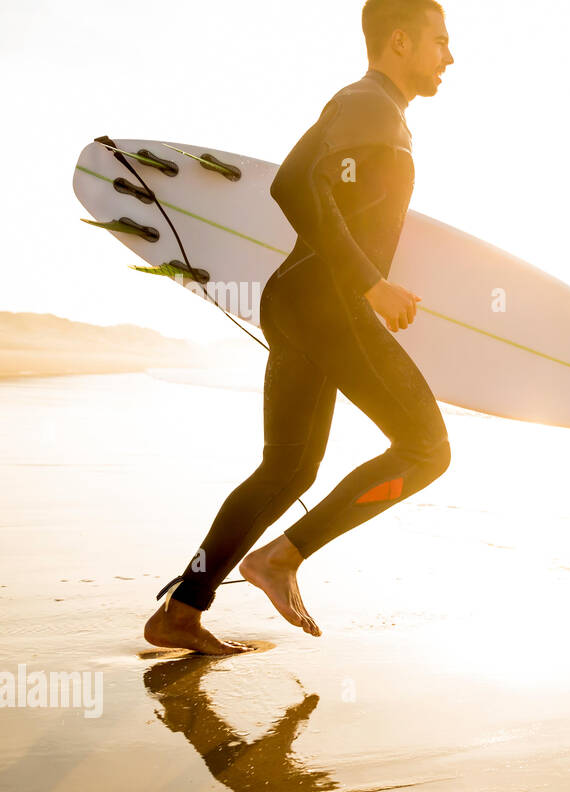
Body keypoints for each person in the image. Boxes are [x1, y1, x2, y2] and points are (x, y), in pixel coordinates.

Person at [145, 0, 455, 655]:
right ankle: (281, 558)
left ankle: (182, 610)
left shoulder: (362, 104)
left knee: (288, 468)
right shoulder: (373, 106)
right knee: (428, 450)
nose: (448, 57)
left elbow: (306, 184)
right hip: (328, 304)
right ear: (399, 42)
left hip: (298, 302)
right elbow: (292, 186)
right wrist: (371, 282)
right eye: (439, 42)